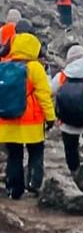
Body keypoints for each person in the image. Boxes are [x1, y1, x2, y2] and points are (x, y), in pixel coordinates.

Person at [0, 32, 55, 199]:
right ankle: (34, 184)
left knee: (14, 155)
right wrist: (50, 117)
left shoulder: (3, 66)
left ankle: (14, 190)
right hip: (31, 121)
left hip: (8, 119)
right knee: (36, 153)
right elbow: (44, 95)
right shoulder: (35, 68)